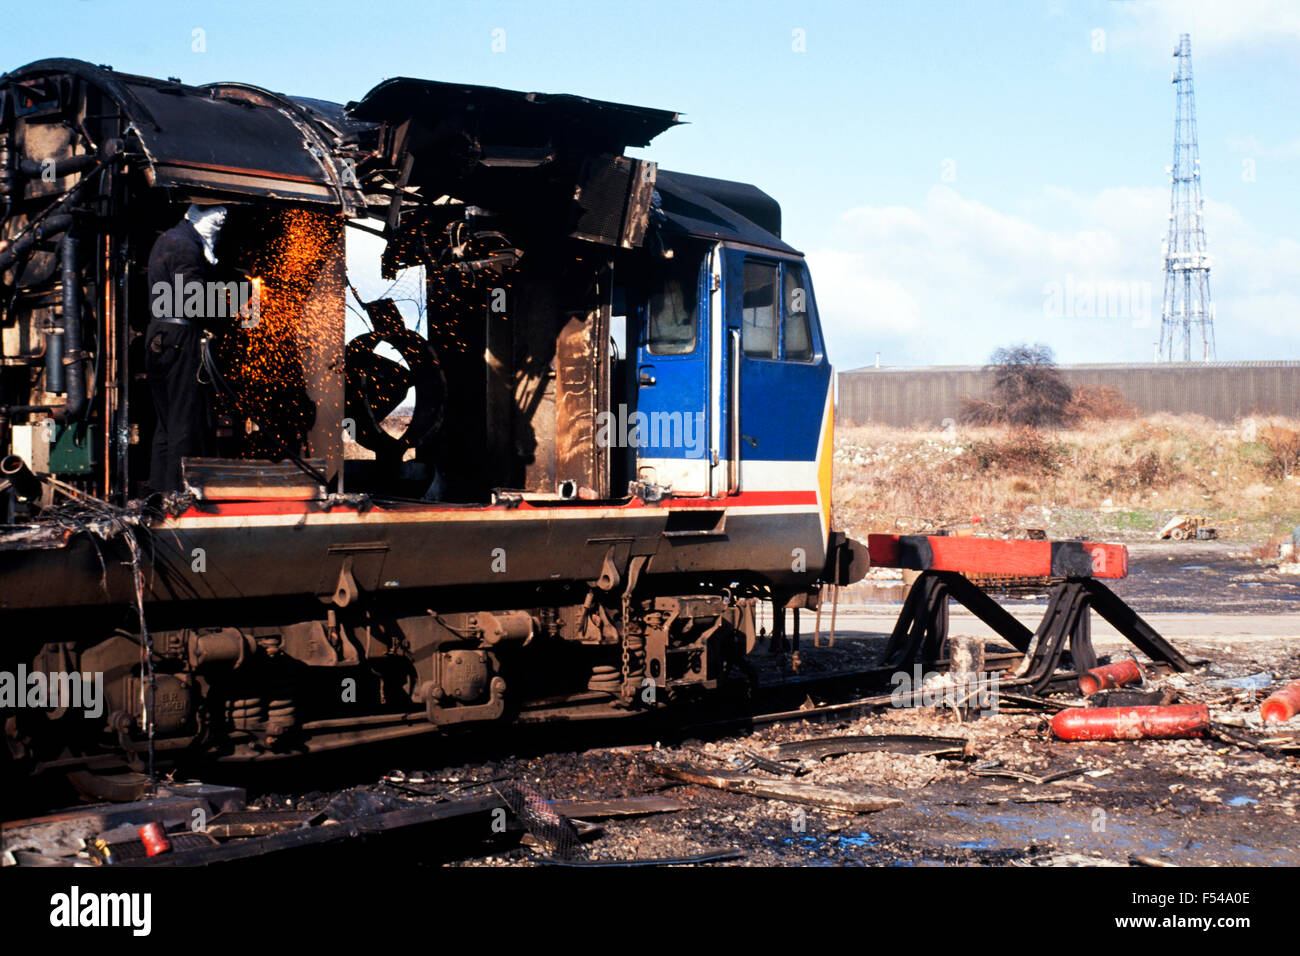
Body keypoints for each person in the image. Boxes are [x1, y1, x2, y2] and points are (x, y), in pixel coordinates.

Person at [144, 202, 229, 493]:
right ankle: (179, 497)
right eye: (218, 213)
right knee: (185, 421)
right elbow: (194, 301)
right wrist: (240, 303)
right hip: (180, 336)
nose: (222, 218)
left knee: (166, 425)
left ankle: (161, 494)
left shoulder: (168, 238)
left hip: (159, 335)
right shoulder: (184, 246)